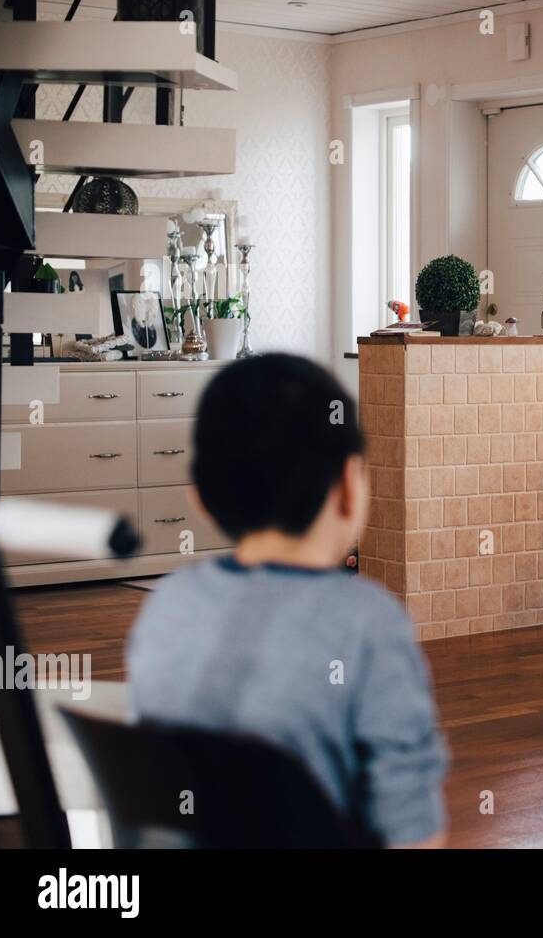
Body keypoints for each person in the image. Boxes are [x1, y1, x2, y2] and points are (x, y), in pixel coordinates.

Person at [126, 354, 448, 848]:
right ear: (348, 486)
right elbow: (412, 830)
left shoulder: (168, 606)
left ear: (201, 500)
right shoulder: (368, 623)